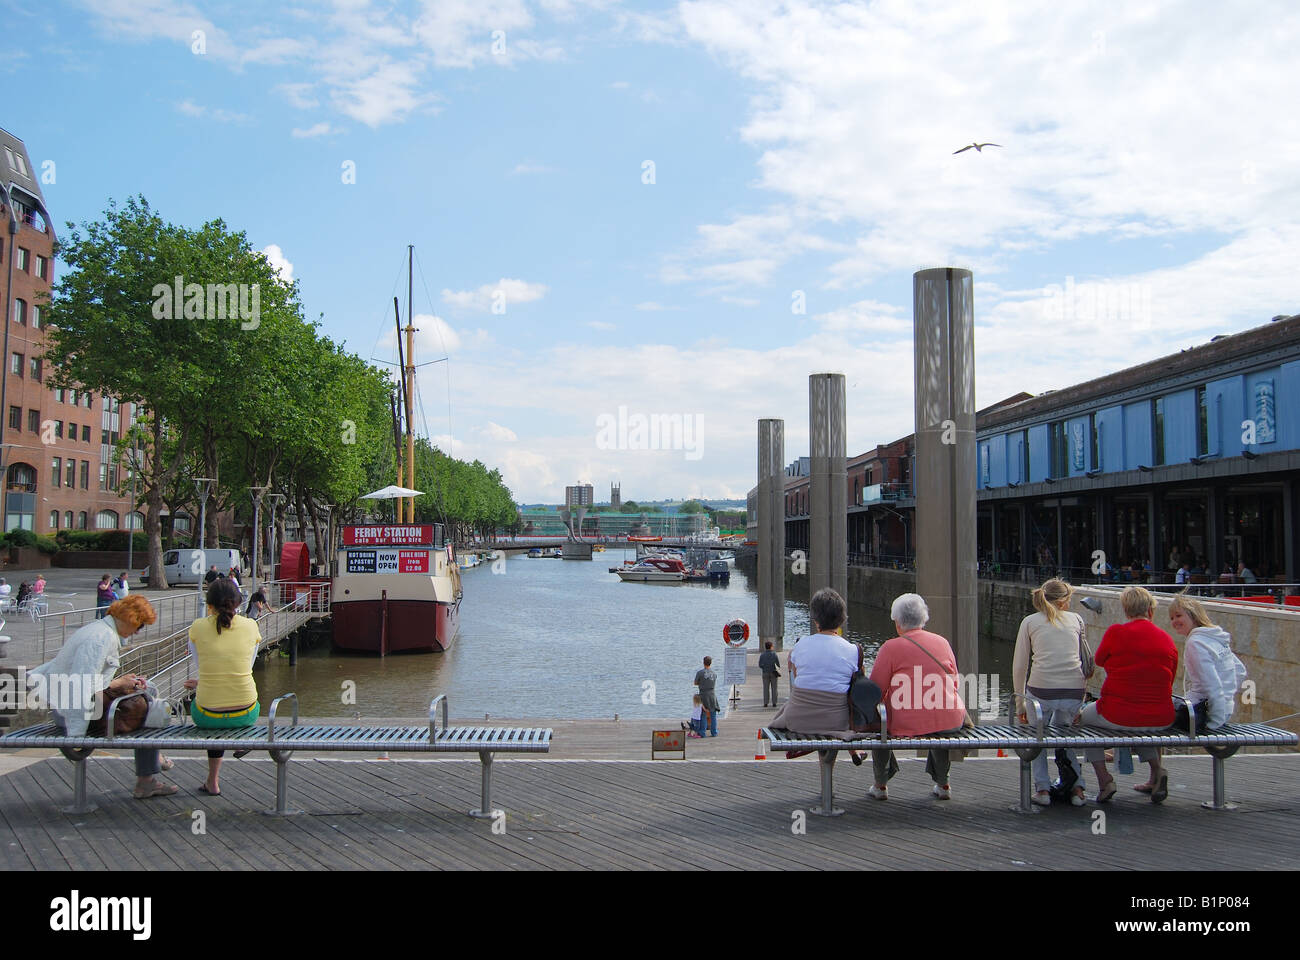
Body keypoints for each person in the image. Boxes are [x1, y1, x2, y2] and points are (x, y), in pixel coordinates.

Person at [27, 595, 177, 799]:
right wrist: (77, 735)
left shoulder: (99, 630)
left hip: (68, 710)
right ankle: (147, 778)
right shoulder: (101, 639)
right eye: (139, 626)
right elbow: (81, 686)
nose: (137, 633)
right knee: (153, 711)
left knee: (146, 692)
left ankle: (150, 771)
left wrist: (123, 683)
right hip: (75, 716)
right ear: (131, 620)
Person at [1073, 586, 1177, 803]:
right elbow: (1171, 677)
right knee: (1141, 723)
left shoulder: (1116, 632)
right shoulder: (1167, 639)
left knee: (1083, 721)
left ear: (1126, 609)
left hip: (1118, 713)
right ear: (1151, 610)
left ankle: (1105, 780)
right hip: (1160, 717)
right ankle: (1158, 771)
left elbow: (1099, 660)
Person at [867, 593, 968, 801]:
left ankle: (881, 785)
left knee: (880, 725)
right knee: (937, 722)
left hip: (905, 722)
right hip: (949, 719)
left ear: (898, 622)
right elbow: (954, 681)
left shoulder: (890, 647)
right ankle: (943, 783)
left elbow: (876, 690)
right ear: (923, 618)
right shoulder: (942, 642)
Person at [1012, 579, 1088, 806]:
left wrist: (1020, 703)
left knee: (1038, 736)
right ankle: (1076, 788)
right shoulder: (1077, 619)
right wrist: (1081, 699)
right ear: (1065, 601)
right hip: (1073, 691)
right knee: (1064, 737)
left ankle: (1042, 789)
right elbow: (1084, 661)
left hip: (1041, 690)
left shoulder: (1030, 622)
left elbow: (1020, 666)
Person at [183, 578, 262, 795]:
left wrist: (202, 683)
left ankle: (213, 782)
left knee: (213, 713)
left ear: (209, 603)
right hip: (246, 712)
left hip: (207, 715)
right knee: (231, 706)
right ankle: (237, 744)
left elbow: (201, 666)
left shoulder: (197, 627)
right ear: (238, 602)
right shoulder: (251, 625)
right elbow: (247, 666)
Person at [767, 588, 860, 742]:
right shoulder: (852, 650)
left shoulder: (801, 645)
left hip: (798, 720)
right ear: (842, 618)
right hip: (836, 721)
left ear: (816, 620)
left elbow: (797, 678)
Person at [1168, 594, 1247, 731]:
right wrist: (1227, 697)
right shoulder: (1215, 638)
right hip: (1225, 709)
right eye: (1172, 618)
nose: (1174, 621)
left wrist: (1215, 720)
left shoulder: (1195, 643)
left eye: (1178, 615)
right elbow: (1240, 671)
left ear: (1193, 615)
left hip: (1202, 712)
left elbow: (1212, 684)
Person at [693, 656, 720, 737]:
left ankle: (702, 732)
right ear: (710, 663)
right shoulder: (714, 673)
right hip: (712, 694)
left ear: (703, 662)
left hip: (703, 694)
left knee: (703, 713)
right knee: (713, 714)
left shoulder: (700, 673)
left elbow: (695, 683)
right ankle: (714, 732)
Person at [758, 640, 781, 708]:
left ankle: (765, 703)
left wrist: (764, 668)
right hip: (773, 673)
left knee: (766, 688)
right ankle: (774, 702)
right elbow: (778, 665)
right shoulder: (774, 654)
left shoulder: (762, 655)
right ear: (771, 647)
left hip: (765, 673)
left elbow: (760, 665)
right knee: (774, 688)